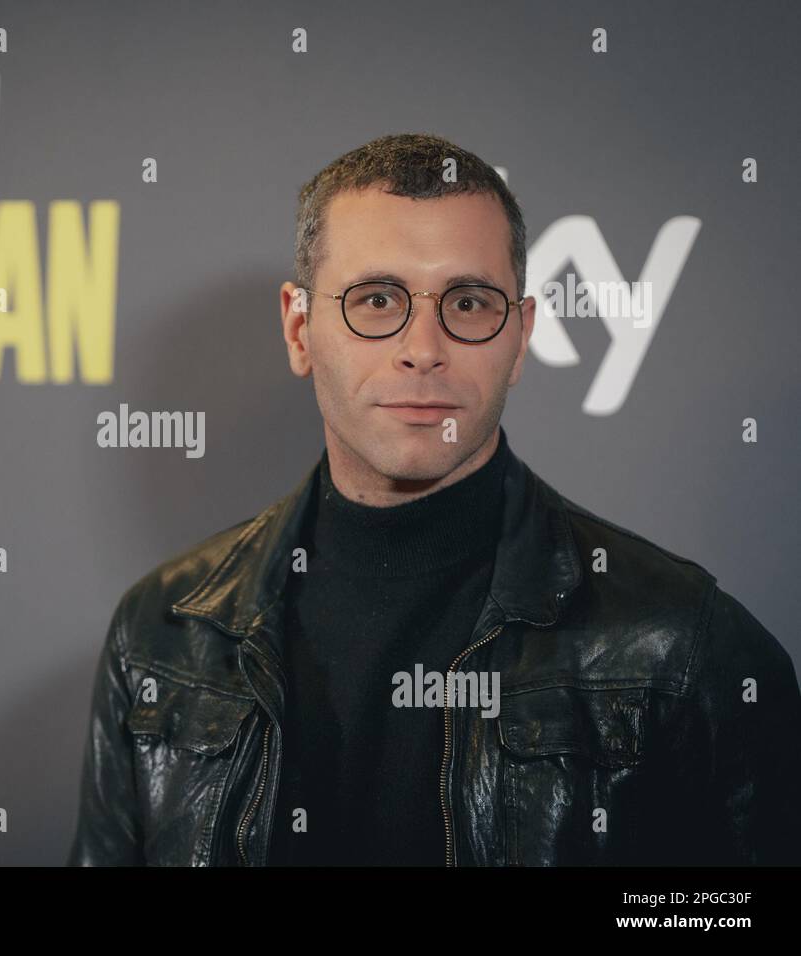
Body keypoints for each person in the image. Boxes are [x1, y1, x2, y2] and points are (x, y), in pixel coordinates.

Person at [66, 133, 801, 866]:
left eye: (470, 301)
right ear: (299, 329)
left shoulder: (683, 645)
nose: (423, 347)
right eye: (376, 299)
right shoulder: (162, 633)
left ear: (520, 335)